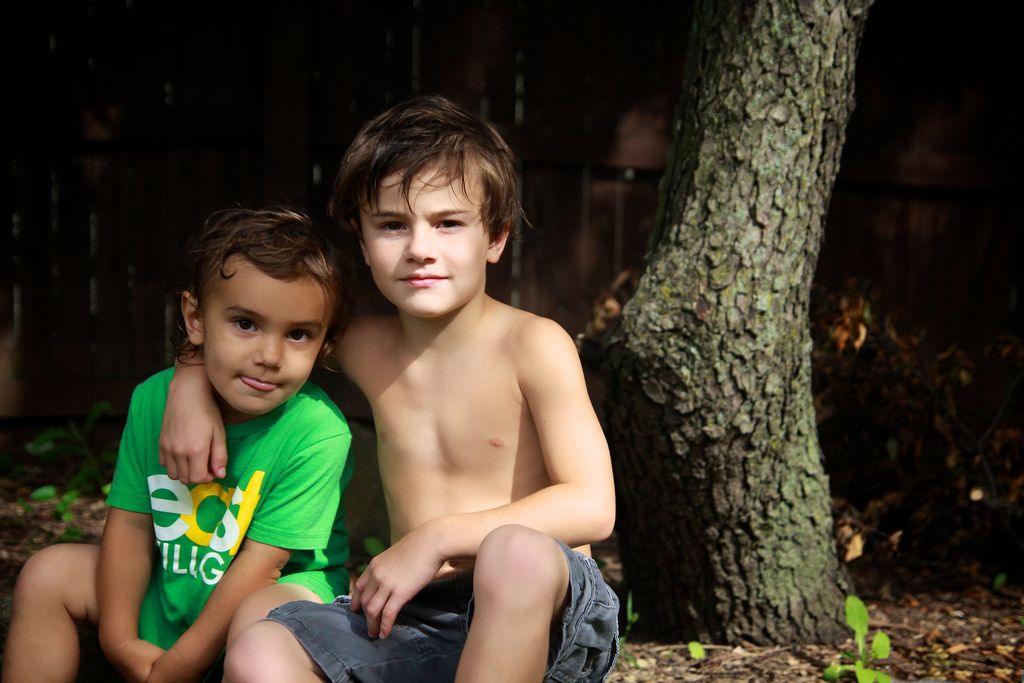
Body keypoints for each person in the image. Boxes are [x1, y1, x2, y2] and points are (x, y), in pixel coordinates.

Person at [160, 95, 620, 682]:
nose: (420, 248)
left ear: (497, 238)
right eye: (392, 225)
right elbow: (255, 345)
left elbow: (593, 504)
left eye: (449, 223)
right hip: (415, 617)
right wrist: (191, 375)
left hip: (542, 611)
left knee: (513, 550)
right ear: (361, 238)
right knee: (259, 650)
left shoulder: (531, 344)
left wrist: (434, 539)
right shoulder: (359, 343)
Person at [2, 207, 355, 683]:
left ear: (323, 343)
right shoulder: (154, 399)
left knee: (265, 619)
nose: (269, 356)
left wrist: (176, 668)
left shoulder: (317, 431)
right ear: (195, 318)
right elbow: (129, 524)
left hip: (271, 600)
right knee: (48, 572)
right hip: (177, 580)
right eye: (246, 324)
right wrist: (119, 638)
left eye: (297, 334)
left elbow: (262, 567)